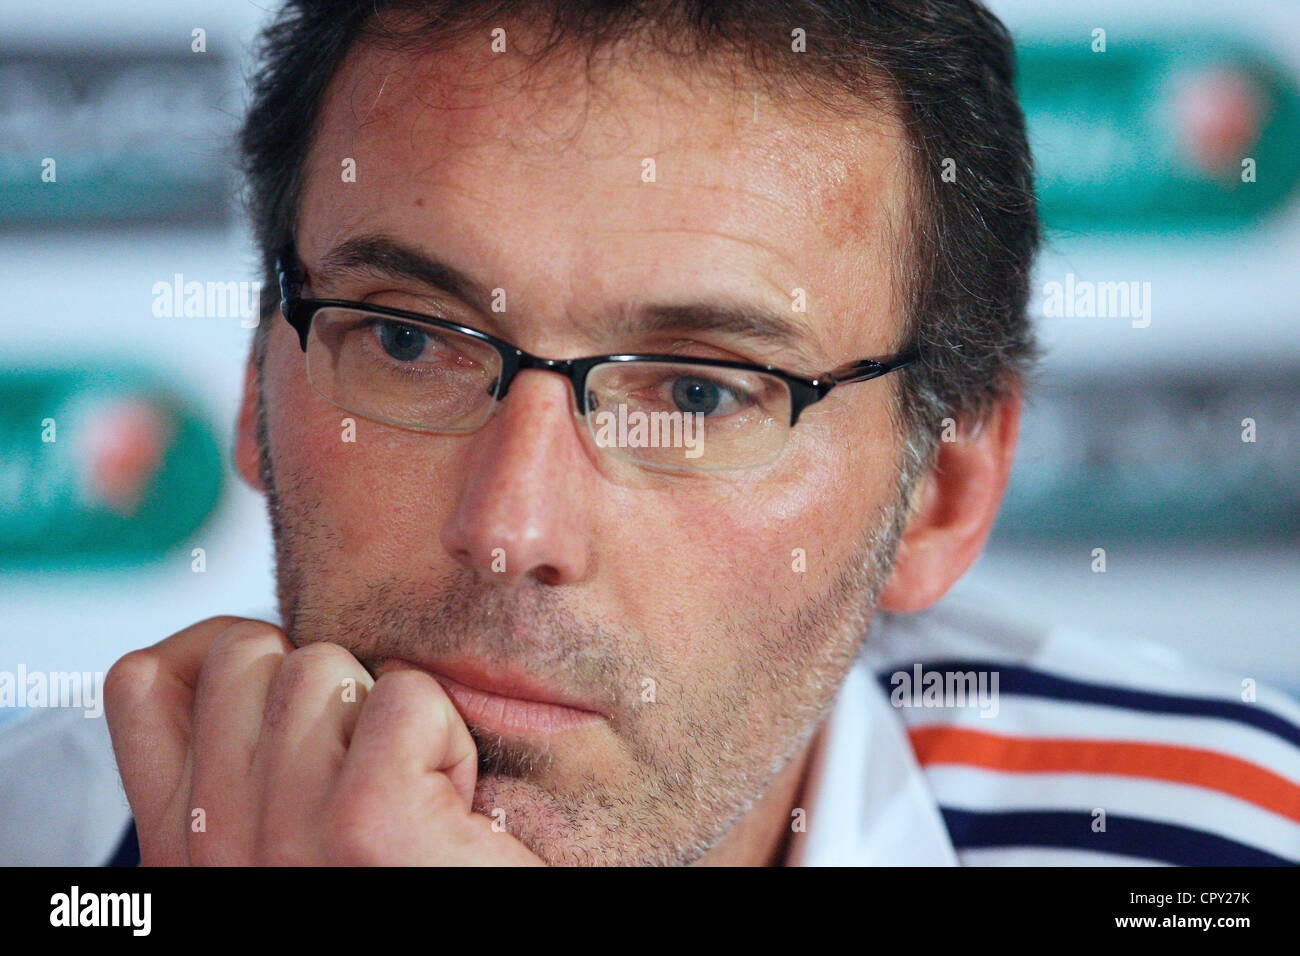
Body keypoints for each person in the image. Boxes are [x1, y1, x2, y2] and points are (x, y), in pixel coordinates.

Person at [6, 0, 1298, 866]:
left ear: (943, 492)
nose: (509, 529)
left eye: (696, 392)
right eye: (405, 337)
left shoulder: (1225, 844)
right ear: (255, 376)